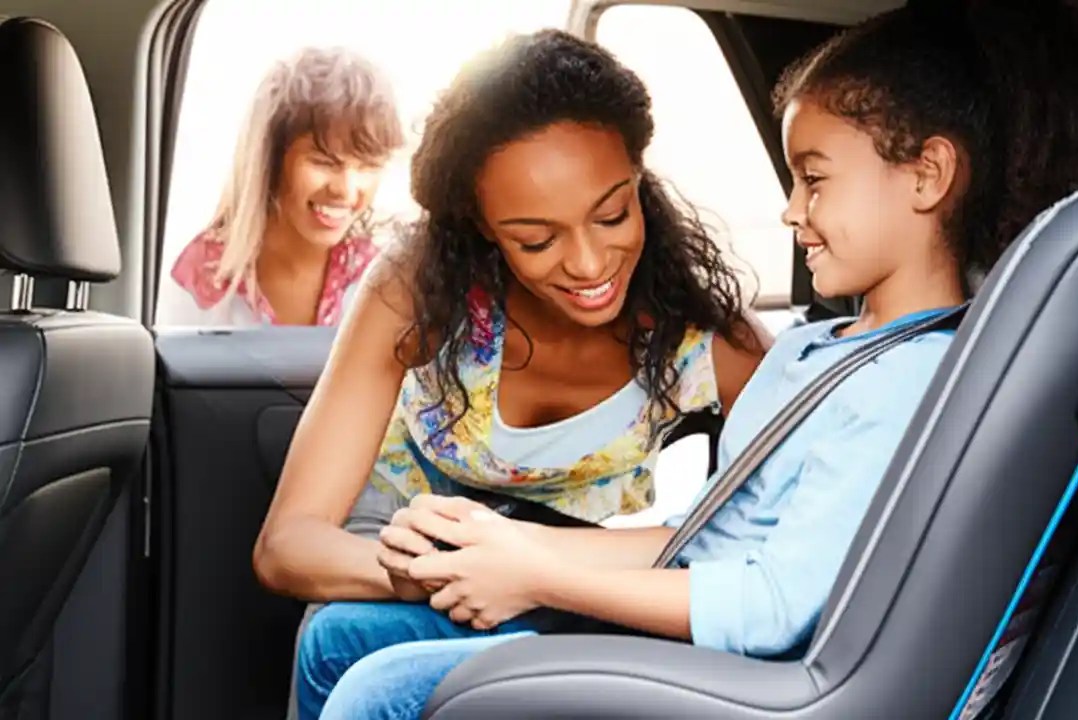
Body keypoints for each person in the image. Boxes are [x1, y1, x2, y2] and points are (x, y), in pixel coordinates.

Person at [307, 1, 1078, 717]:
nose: (791, 209)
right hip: (697, 639)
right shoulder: (810, 351)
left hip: (740, 674)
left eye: (814, 178)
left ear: (928, 175)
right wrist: (507, 548)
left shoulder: (908, 382)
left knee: (374, 692)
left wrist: (540, 576)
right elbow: (698, 534)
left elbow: (774, 606)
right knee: (338, 639)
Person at [251, 29, 772, 719]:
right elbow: (287, 546)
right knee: (337, 636)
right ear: (482, 227)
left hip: (579, 573)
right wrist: (445, 569)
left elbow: (767, 550)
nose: (589, 264)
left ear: (640, 179)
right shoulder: (418, 291)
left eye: (613, 213)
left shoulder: (711, 344)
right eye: (537, 238)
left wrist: (531, 566)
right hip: (402, 548)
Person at [157, 46, 406, 327]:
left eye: (367, 166)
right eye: (324, 162)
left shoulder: (385, 280)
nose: (346, 190)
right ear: (271, 160)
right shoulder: (200, 281)